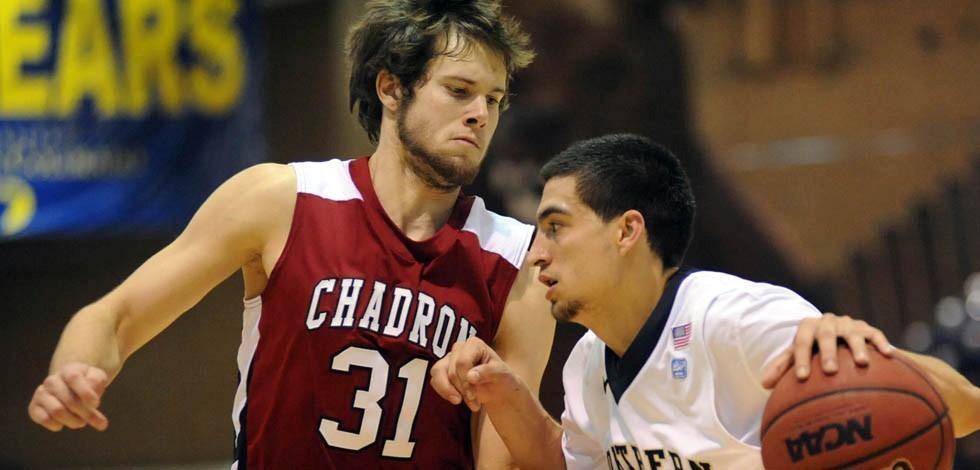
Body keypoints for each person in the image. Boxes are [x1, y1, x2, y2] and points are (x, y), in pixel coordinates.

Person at [27, 1, 555, 468]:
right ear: (392, 87)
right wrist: (74, 374)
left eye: (494, 99)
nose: (480, 115)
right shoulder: (280, 199)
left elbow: (507, 459)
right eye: (460, 91)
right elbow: (113, 316)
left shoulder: (517, 260)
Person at [430, 133, 980, 469]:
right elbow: (566, 463)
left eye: (555, 228)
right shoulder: (588, 362)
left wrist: (881, 361)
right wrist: (503, 391)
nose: (536, 254)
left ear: (627, 231)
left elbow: (962, 408)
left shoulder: (739, 322)